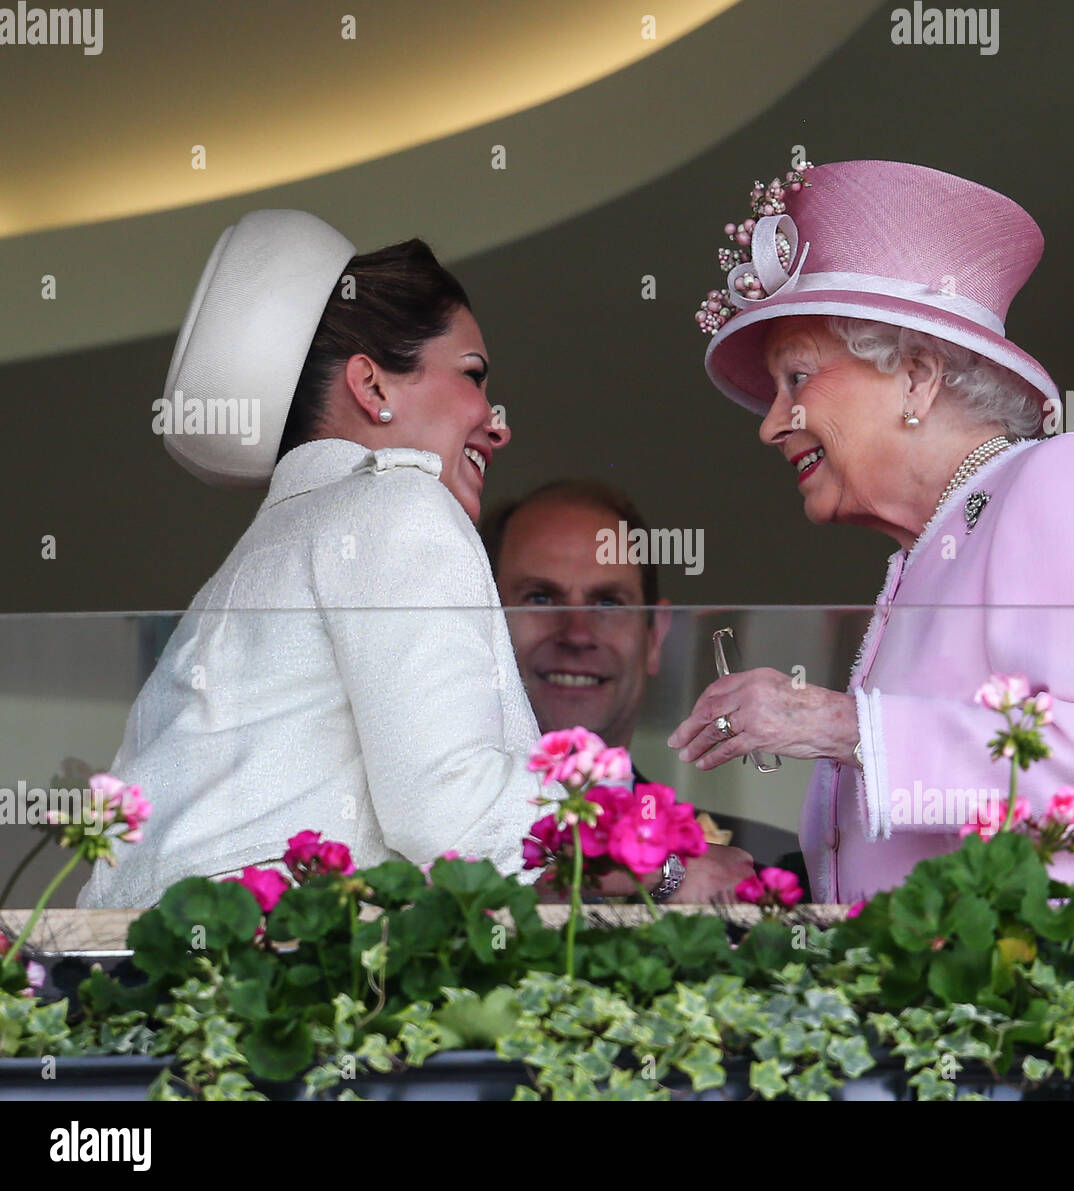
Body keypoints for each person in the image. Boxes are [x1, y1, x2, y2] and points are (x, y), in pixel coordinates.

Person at [670, 160, 1074, 904]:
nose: (773, 424)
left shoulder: (1063, 478)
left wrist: (836, 722)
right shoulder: (931, 554)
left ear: (918, 375)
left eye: (797, 378)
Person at [80, 211, 541, 907]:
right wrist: (655, 856)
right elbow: (452, 812)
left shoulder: (236, 576)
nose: (498, 421)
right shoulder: (401, 506)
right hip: (302, 993)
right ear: (372, 386)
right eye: (473, 374)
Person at [482, 479, 762, 900]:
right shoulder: (418, 842)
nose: (577, 635)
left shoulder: (747, 866)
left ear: (655, 636)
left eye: (609, 603)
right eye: (539, 598)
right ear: (480, 626)